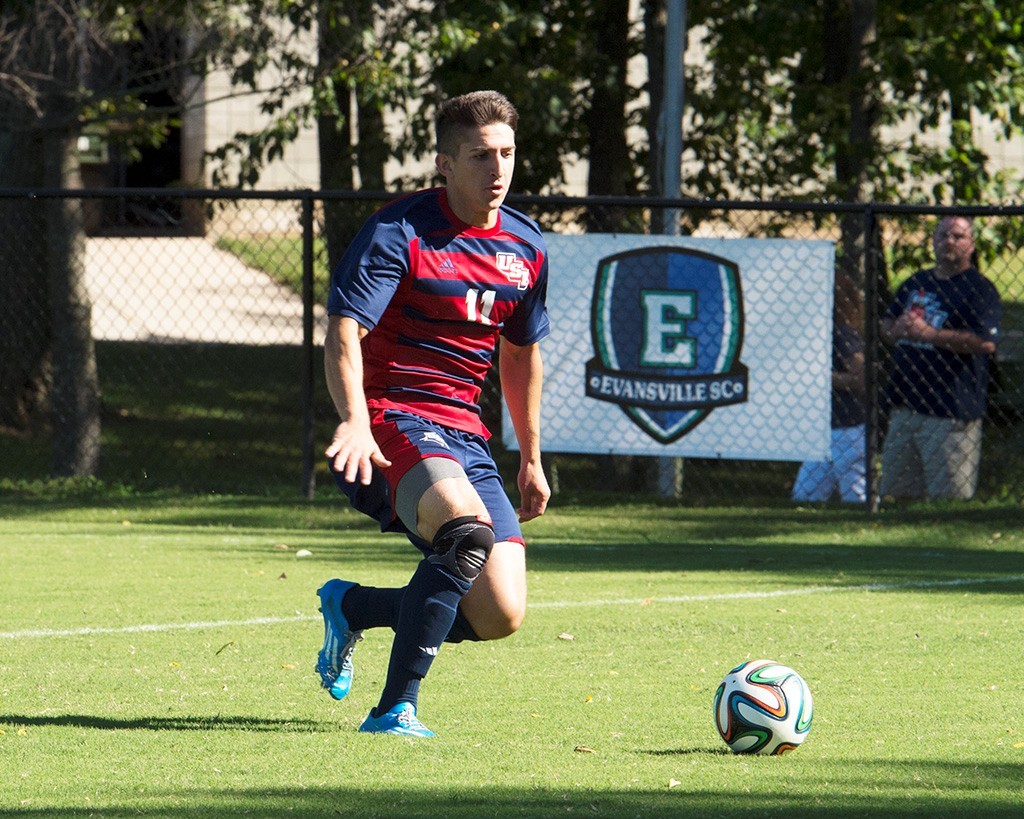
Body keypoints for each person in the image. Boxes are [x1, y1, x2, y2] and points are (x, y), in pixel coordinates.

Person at [315, 90, 551, 737]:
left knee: (499, 613)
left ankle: (353, 606)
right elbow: (343, 331)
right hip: (392, 418)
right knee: (467, 532)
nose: (497, 169)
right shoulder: (401, 231)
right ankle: (394, 708)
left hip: (464, 432)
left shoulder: (525, 245)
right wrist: (356, 419)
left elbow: (521, 354)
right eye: (480, 156)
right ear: (444, 163)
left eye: (506, 153)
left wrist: (530, 454)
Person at [879, 215, 1001, 500]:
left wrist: (930, 335)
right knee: (896, 498)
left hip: (950, 411)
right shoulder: (915, 282)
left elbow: (986, 342)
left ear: (971, 245)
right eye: (943, 235)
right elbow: (886, 326)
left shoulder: (979, 289)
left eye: (958, 236)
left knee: (948, 501)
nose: (949, 241)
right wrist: (896, 330)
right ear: (933, 241)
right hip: (905, 405)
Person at [792, 273, 867, 504]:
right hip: (821, 429)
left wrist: (820, 378)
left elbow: (860, 378)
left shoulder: (842, 333)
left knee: (856, 496)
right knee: (805, 496)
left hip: (847, 427)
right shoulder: (817, 333)